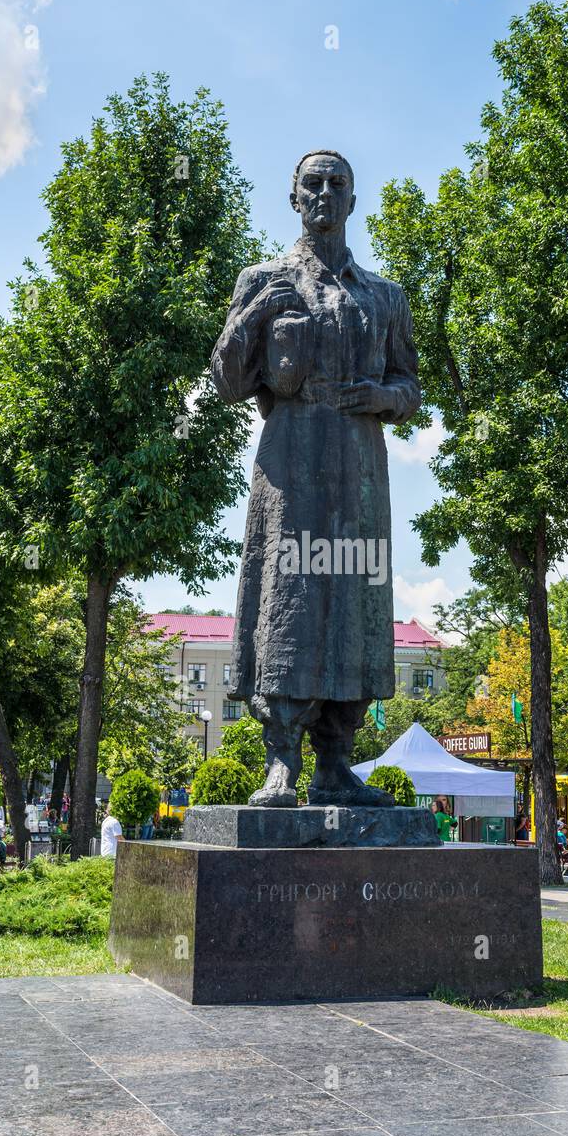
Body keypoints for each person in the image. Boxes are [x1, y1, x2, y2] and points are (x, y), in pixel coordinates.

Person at [210, 150, 421, 807]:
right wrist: (251, 317)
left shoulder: (384, 296)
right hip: (292, 469)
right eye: (313, 183)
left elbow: (410, 385)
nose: (325, 193)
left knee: (353, 608)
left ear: (353, 201)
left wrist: (382, 399)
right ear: (294, 197)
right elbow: (225, 383)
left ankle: (335, 763)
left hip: (359, 472)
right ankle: (282, 763)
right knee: (289, 604)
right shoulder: (263, 279)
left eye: (338, 184)